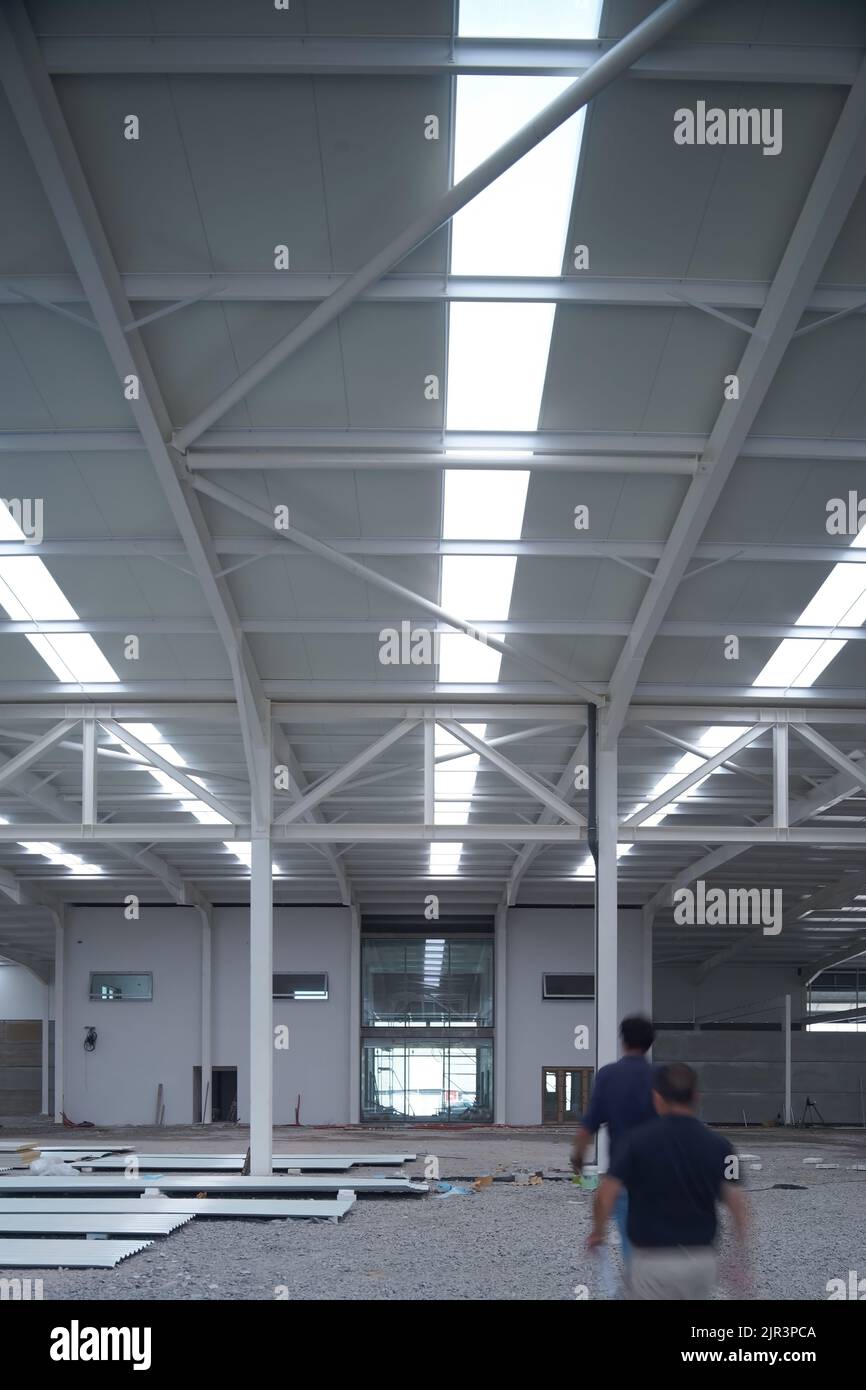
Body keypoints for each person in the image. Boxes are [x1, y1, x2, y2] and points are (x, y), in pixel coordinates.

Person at [587, 1062, 750, 1300]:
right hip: (701, 1262)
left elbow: (606, 1193)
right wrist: (739, 1254)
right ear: (695, 1097)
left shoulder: (635, 1142)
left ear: (657, 1097)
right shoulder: (721, 1145)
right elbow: (737, 1202)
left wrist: (598, 1232)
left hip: (653, 1261)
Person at [571, 1015, 655, 1265]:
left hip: (624, 1174)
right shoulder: (663, 1076)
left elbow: (588, 1126)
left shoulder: (609, 1076)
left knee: (633, 1240)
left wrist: (578, 1158)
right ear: (650, 1043)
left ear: (623, 1041)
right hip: (663, 1174)